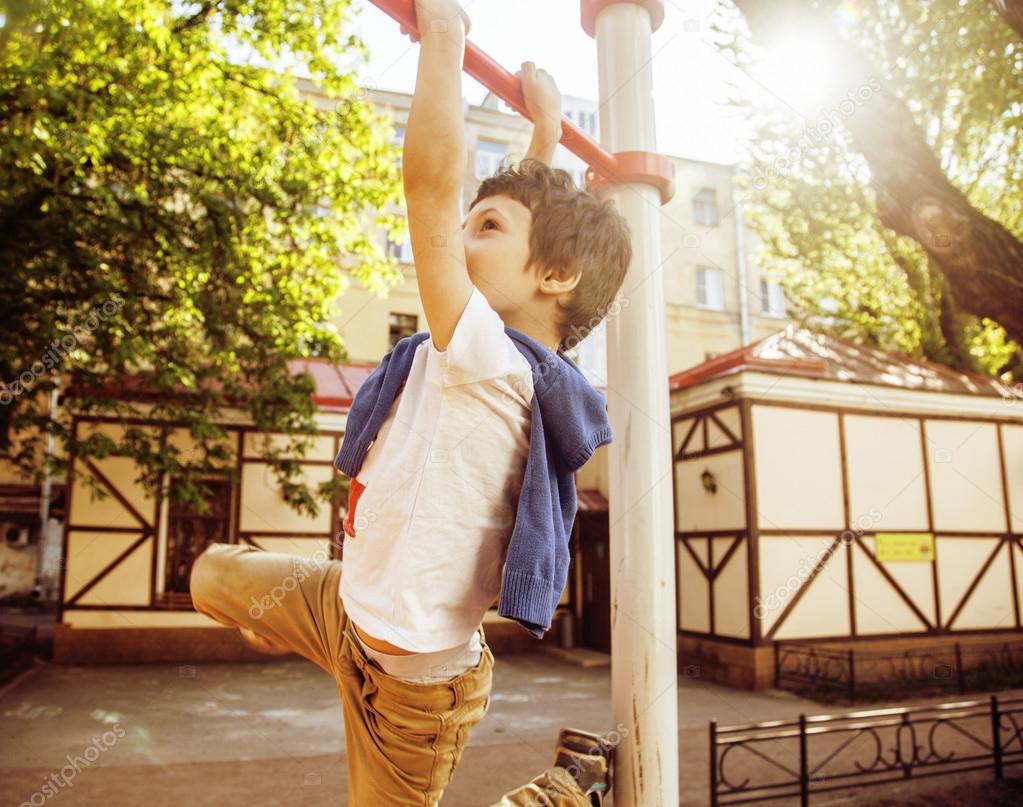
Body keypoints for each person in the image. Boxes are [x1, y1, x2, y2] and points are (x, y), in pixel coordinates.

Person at [189, 1, 633, 804]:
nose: (458, 240)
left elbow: (428, 188)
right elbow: (529, 220)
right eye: (464, 225)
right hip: (344, 607)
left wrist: (441, 36)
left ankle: (565, 791)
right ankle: (275, 616)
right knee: (211, 573)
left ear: (554, 277)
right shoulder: (482, 347)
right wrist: (544, 131)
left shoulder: (490, 363)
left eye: (484, 227)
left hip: (412, 689)